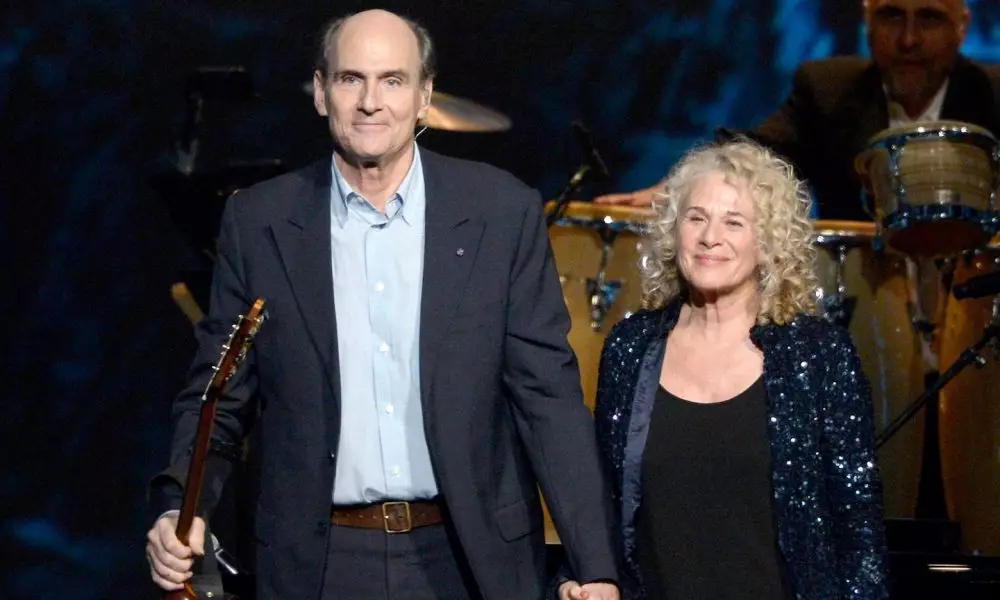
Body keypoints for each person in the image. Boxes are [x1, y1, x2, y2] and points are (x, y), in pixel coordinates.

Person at [144, 9, 619, 600]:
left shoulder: (501, 212)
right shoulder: (260, 221)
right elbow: (217, 396)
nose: (371, 101)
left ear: (424, 96)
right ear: (321, 94)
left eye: (392, 80)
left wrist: (595, 564)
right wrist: (177, 509)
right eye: (351, 79)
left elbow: (548, 398)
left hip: (469, 558)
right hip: (320, 561)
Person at [560, 140, 887, 599]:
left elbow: (859, 533)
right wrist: (587, 579)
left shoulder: (818, 354)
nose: (710, 237)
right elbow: (604, 504)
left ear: (768, 242)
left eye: (734, 222)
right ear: (675, 232)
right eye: (696, 218)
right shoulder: (631, 347)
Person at [596, 0, 1000, 222]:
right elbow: (751, 151)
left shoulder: (994, 93)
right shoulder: (829, 89)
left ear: (961, 26)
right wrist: (681, 187)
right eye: (891, 15)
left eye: (929, 18)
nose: (909, 39)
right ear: (866, 20)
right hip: (869, 305)